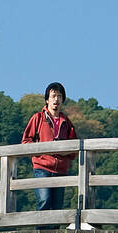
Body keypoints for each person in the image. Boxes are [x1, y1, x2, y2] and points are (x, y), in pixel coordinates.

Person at [21, 82, 77, 211]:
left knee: (57, 208)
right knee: (44, 201)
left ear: (63, 100)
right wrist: (43, 150)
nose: (56, 99)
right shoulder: (38, 118)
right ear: (47, 100)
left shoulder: (67, 122)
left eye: (59, 96)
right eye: (53, 96)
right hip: (42, 167)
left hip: (61, 170)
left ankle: (54, 232)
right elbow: (25, 142)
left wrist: (63, 152)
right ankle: (41, 231)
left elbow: (74, 149)